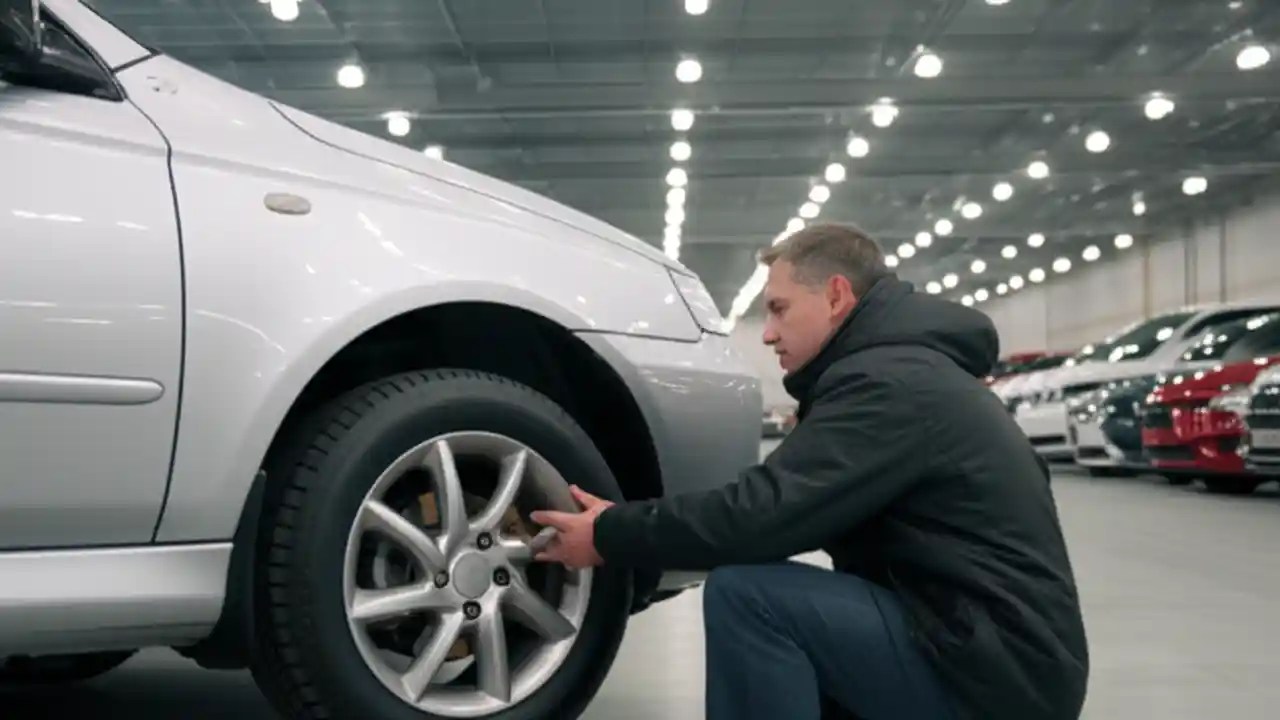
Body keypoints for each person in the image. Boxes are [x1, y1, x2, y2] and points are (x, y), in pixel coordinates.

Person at [531, 223, 1089, 720]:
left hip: (993, 678)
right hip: (985, 650)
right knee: (795, 600)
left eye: (778, 308)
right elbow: (781, 515)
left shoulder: (889, 385)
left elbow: (762, 515)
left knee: (750, 596)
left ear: (837, 296)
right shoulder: (905, 371)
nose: (768, 332)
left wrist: (610, 534)